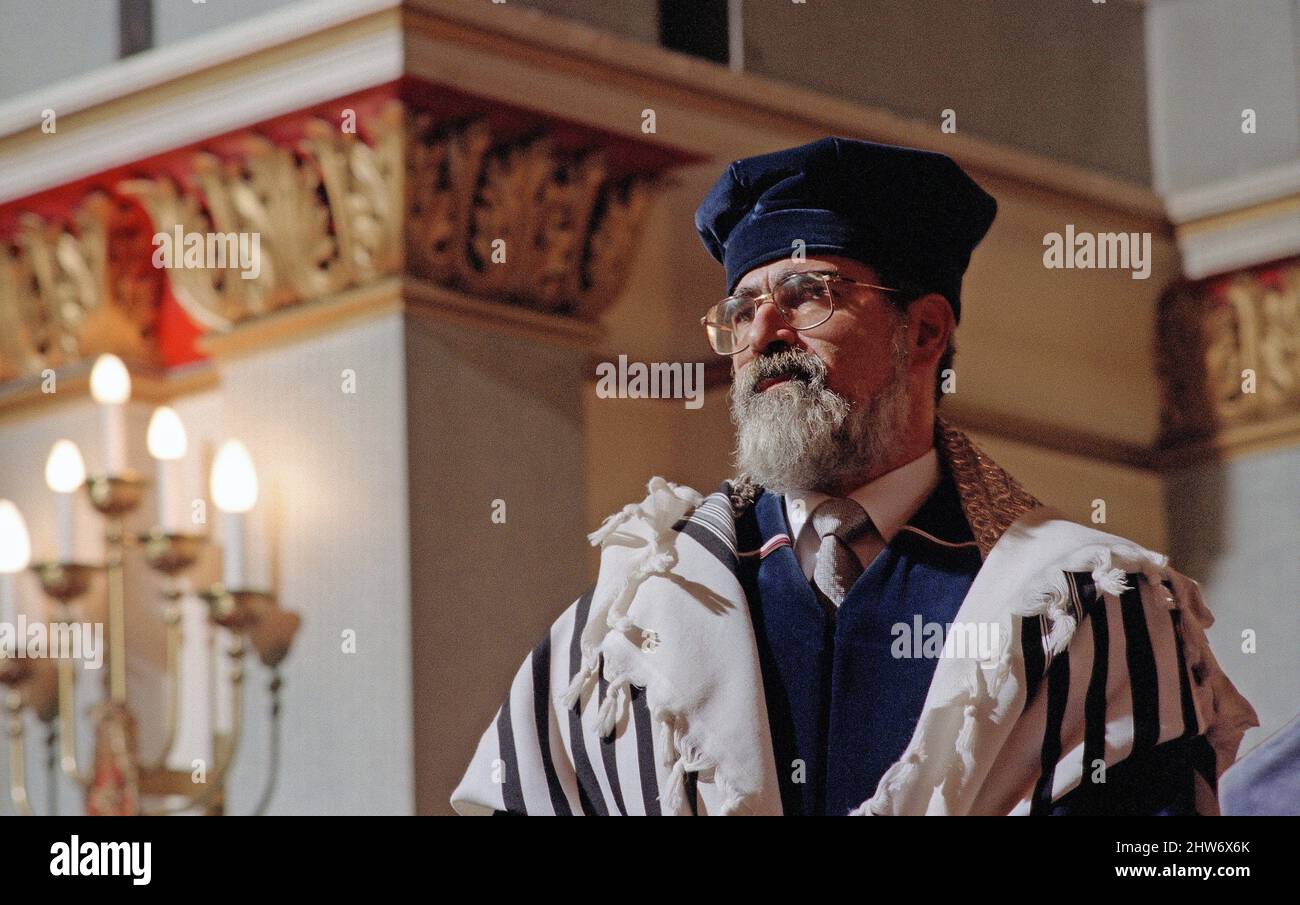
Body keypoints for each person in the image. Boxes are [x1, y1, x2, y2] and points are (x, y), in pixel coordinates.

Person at [451, 136, 1258, 815]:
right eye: (741, 308)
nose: (762, 331)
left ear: (926, 330)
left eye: (806, 295)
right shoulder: (629, 618)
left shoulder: (1089, 609)